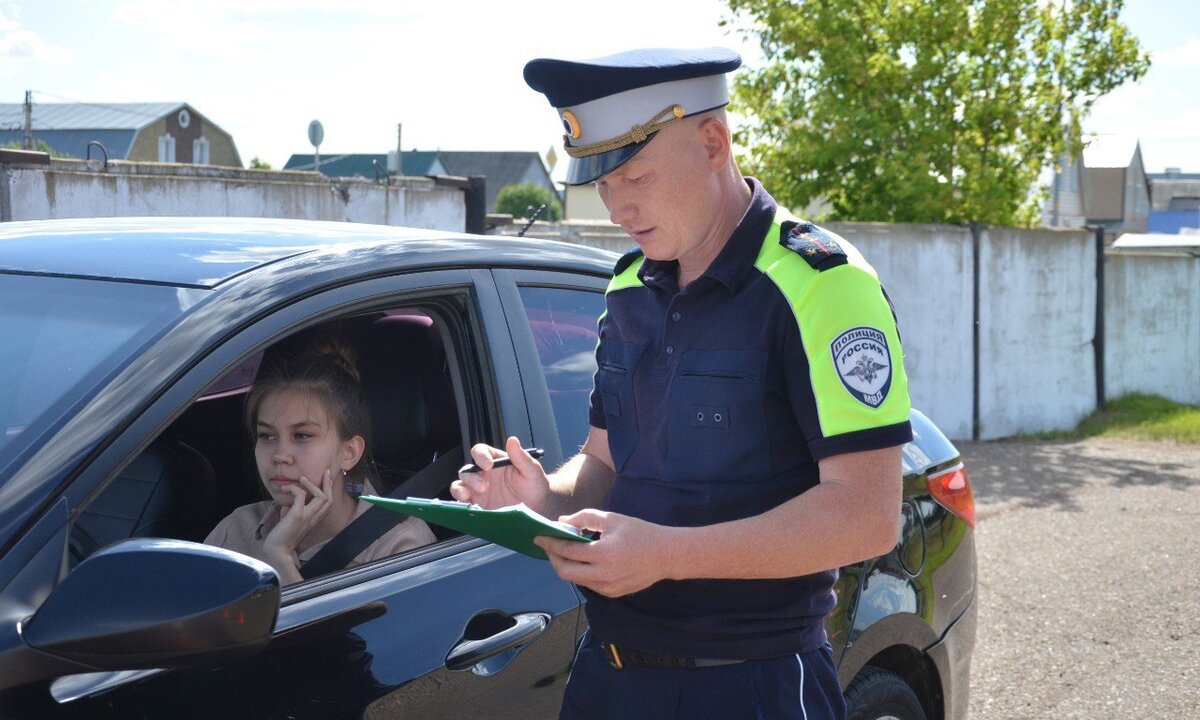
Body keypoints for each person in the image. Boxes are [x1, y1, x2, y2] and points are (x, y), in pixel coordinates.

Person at [451, 47, 912, 719]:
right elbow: (605, 463)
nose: (617, 207)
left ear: (713, 142)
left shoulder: (822, 284)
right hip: (608, 675)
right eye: (604, 186)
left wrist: (669, 555)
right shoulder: (628, 286)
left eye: (635, 175)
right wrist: (542, 498)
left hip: (750, 683)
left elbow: (867, 515)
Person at [205, 343, 436, 585]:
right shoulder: (236, 530)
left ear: (349, 452)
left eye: (302, 435)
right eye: (266, 436)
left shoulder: (400, 544)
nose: (279, 455)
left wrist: (279, 557)